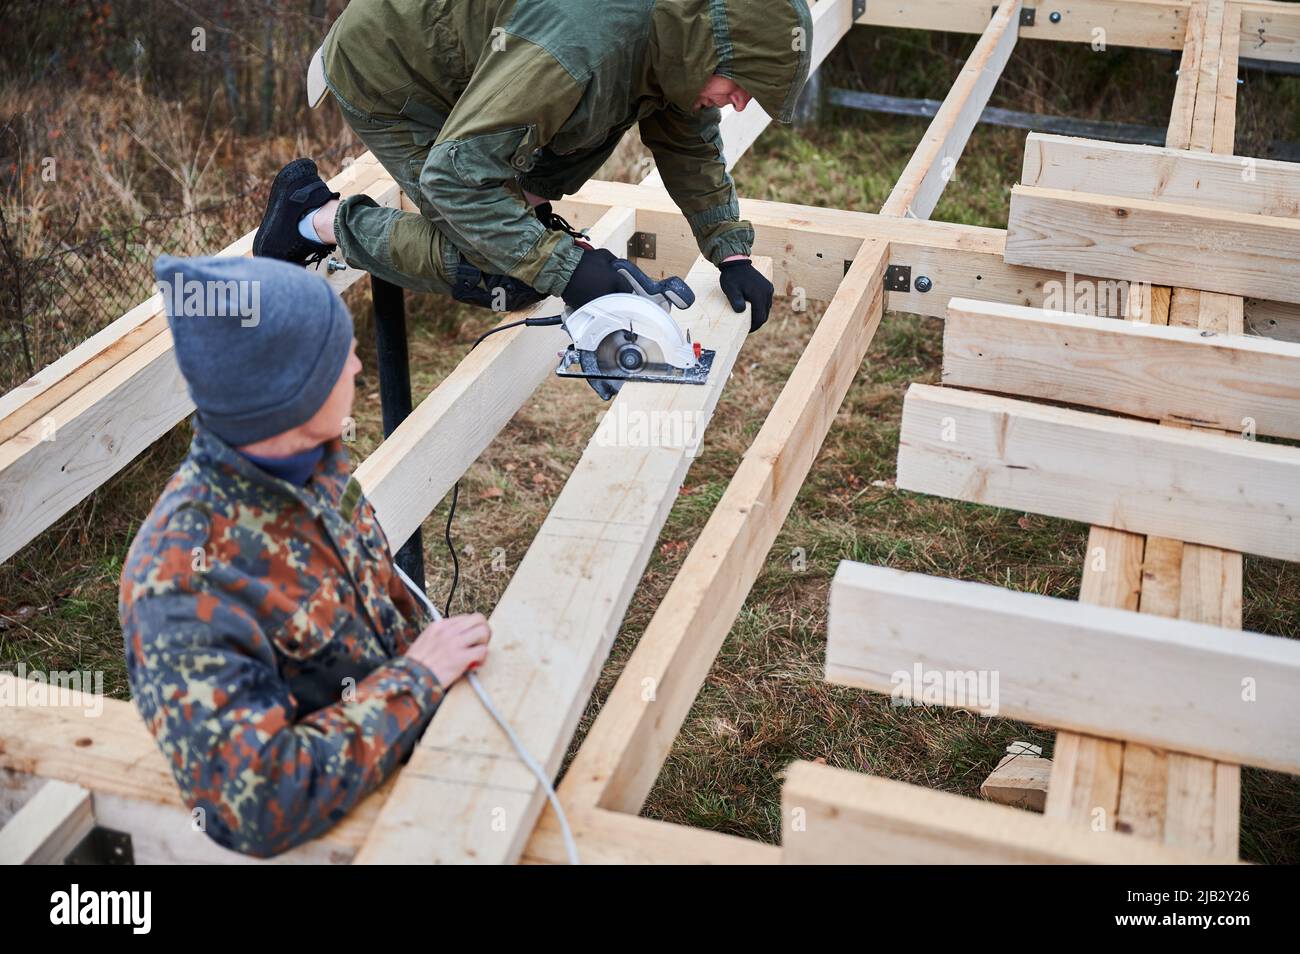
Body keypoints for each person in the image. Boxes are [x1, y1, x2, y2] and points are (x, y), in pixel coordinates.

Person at [119, 253, 490, 857]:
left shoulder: (316, 466)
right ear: (289, 391)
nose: (356, 363)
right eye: (334, 356)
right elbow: (257, 804)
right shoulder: (181, 581)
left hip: (424, 761)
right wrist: (418, 679)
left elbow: (384, 598)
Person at [253, 0, 812, 334]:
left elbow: (689, 149)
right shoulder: (580, 47)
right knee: (507, 271)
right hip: (394, 71)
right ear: (711, 52)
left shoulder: (680, 41)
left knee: (532, 246)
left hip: (480, 74)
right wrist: (565, 269)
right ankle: (312, 218)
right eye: (740, 85)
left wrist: (730, 250)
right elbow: (454, 180)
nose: (739, 102)